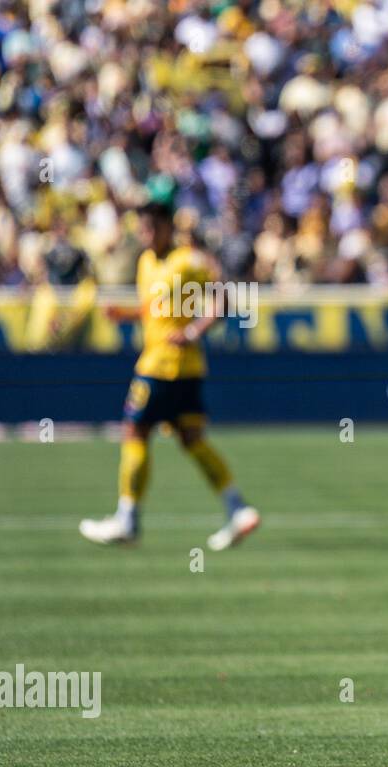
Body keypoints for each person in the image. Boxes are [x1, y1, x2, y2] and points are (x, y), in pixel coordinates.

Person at [79, 202, 260, 549]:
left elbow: (222, 299)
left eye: (151, 227)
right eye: (142, 228)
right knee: (192, 438)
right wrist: (126, 315)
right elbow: (156, 310)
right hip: (184, 369)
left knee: (134, 431)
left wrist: (193, 332)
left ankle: (127, 519)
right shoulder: (148, 262)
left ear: (166, 227)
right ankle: (237, 508)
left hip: (162, 366)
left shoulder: (188, 260)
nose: (146, 234)